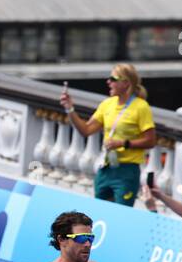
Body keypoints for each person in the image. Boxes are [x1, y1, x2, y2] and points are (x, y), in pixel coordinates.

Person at [60, 63, 156, 207]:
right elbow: (86, 130)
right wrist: (70, 109)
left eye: (113, 78)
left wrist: (123, 143)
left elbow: (151, 141)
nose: (108, 82)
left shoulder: (141, 107)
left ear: (125, 83)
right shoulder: (107, 104)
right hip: (106, 168)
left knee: (121, 214)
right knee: (99, 213)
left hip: (127, 171)